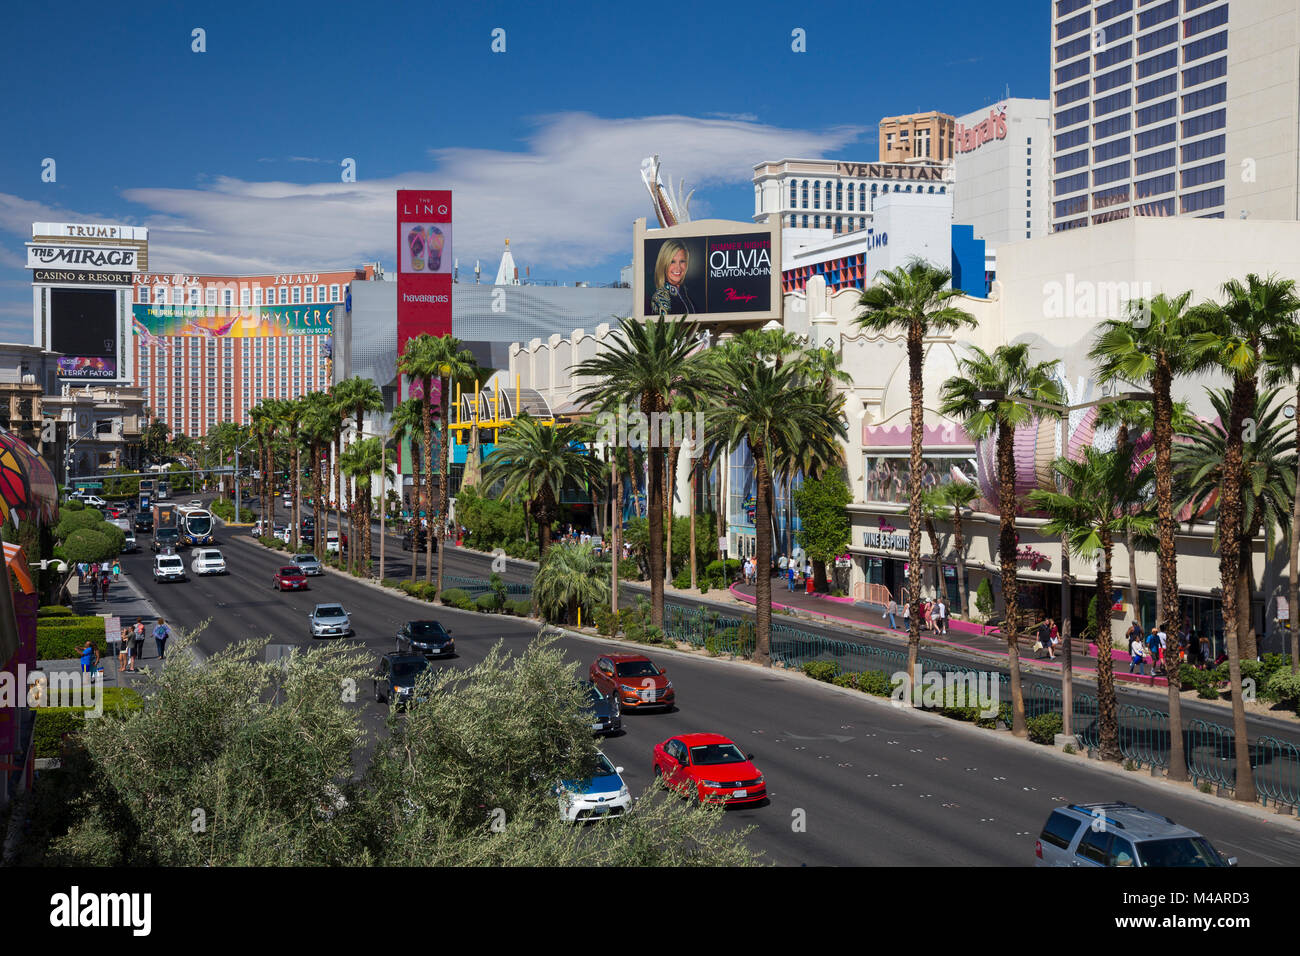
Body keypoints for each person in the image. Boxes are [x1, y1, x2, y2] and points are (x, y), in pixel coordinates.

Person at [650, 239, 696, 315]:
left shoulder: (687, 293)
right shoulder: (661, 298)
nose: (678, 268)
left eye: (682, 261)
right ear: (664, 263)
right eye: (672, 262)